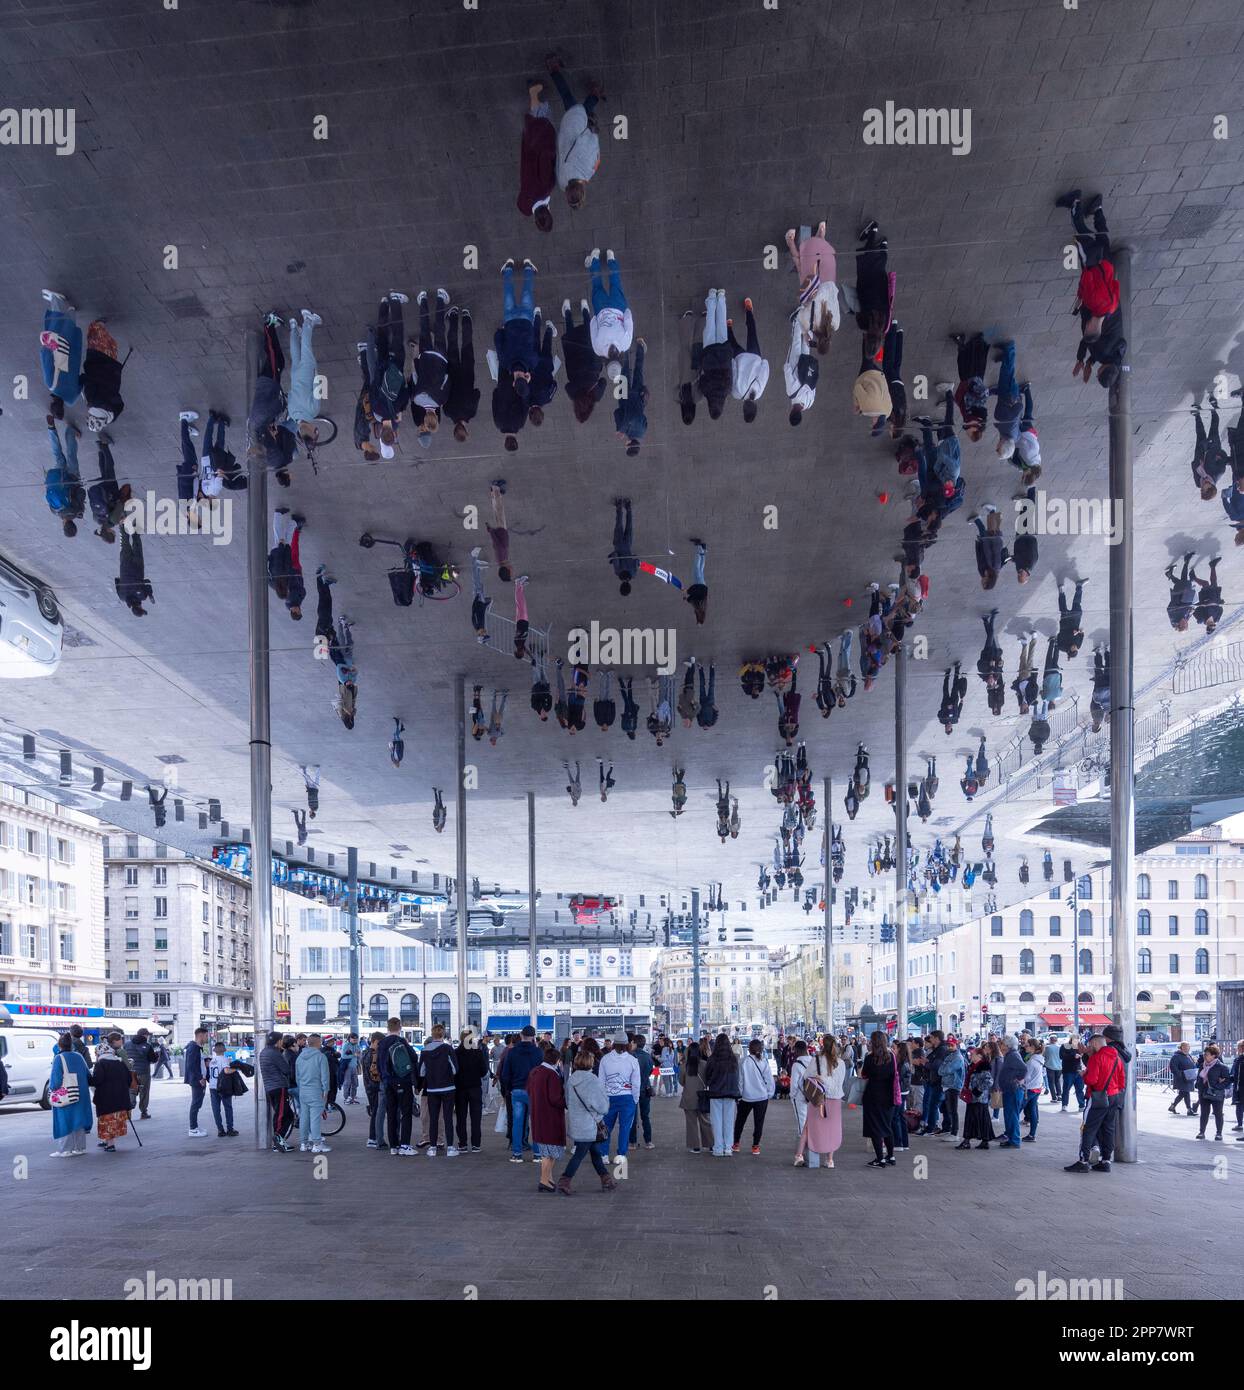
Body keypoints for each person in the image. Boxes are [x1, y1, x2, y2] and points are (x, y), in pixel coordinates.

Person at [546, 53, 603, 209]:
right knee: (580, 107)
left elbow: (591, 143)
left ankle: (553, 67)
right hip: (564, 133)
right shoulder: (562, 183)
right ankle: (595, 93)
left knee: (568, 99)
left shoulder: (588, 171)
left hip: (575, 125)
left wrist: (593, 132)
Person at [1065, 1031, 1126, 1173]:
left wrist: (1084, 1075)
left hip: (1098, 1097)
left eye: (1089, 1044)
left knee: (1088, 1128)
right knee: (1108, 1129)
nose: (1088, 1047)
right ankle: (1106, 1161)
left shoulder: (1097, 1058)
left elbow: (1092, 1080)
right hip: (1114, 1096)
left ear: (1094, 1043)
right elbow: (1122, 1080)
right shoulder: (1117, 1057)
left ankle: (1083, 1161)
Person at [560, 1046, 615, 1193]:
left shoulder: (571, 1080)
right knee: (579, 1155)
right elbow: (602, 1107)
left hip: (577, 1123)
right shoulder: (592, 1080)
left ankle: (606, 1180)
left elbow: (567, 1102)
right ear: (590, 1062)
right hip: (591, 1125)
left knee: (595, 1152)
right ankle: (565, 1180)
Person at [794, 1037, 846, 1169]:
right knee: (832, 1129)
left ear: (822, 1045)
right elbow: (839, 1083)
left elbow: (806, 1077)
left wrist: (820, 1078)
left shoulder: (816, 1059)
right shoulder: (841, 1063)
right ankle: (830, 1160)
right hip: (835, 1100)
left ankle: (799, 1155)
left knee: (809, 1127)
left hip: (818, 1098)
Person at [410, 288, 451, 444]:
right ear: (425, 419)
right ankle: (423, 299)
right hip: (425, 357)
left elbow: (447, 379)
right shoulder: (416, 399)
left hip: (440, 359)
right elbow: (415, 376)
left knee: (440, 329)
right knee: (424, 329)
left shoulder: (441, 400)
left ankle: (441, 297)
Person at [517, 78, 556, 230]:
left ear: (549, 212)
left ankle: (533, 93)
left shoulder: (546, 188)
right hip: (527, 152)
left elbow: (546, 157)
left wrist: (554, 153)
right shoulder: (524, 207)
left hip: (538, 146)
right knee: (532, 123)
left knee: (540, 118)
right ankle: (534, 97)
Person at [500, 1024, 543, 1163]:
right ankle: (537, 1154)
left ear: (521, 1035)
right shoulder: (539, 1052)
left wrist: (509, 1088)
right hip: (534, 1092)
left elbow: (505, 1074)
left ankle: (517, 1154)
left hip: (517, 1090)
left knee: (517, 1123)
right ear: (533, 1037)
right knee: (536, 1123)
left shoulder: (512, 1052)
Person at [586, 248, 632, 376]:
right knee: (597, 285)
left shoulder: (626, 344)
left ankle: (611, 258)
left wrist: (626, 310)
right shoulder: (598, 349)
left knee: (615, 283)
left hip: (618, 307)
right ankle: (595, 260)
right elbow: (593, 325)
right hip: (601, 310)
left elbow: (628, 320)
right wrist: (598, 316)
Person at [598, 1028, 641, 1162]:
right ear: (627, 1044)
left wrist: (602, 1098)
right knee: (625, 1128)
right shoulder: (632, 1060)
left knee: (606, 1127)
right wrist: (635, 1099)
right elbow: (636, 1083)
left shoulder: (605, 1059)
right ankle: (621, 1155)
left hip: (608, 1097)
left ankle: (604, 1155)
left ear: (614, 1043)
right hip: (627, 1098)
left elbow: (601, 1081)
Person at [528, 1046, 567, 1192]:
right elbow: (555, 1098)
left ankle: (548, 1180)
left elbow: (528, 1090)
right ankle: (544, 1180)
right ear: (556, 1060)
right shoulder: (552, 1075)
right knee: (551, 1152)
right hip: (550, 1117)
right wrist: (566, 1103)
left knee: (545, 1150)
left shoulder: (534, 1071)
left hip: (537, 1114)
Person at [378, 1016, 418, 1157]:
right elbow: (414, 1058)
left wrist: (384, 1078)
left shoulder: (382, 1043)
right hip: (403, 1080)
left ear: (388, 1028)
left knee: (391, 1113)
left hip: (387, 1082)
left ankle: (393, 1146)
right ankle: (405, 1145)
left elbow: (379, 1064)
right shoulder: (401, 1041)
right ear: (400, 1027)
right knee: (406, 1113)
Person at [418, 1022, 459, 1156]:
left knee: (433, 1118)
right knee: (447, 1118)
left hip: (432, 1089)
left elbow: (421, 1072)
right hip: (448, 1087)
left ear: (432, 1034)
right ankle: (450, 1148)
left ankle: (432, 1148)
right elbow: (455, 1069)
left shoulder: (425, 1050)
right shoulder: (448, 1048)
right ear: (443, 1034)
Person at [49, 1032, 93, 1157]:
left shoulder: (59, 1058)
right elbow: (88, 1075)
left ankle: (65, 1150)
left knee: (65, 1120)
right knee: (79, 1120)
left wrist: (52, 1089)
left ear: (59, 1045)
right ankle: (79, 1148)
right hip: (81, 1093)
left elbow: (56, 1082)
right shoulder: (79, 1056)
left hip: (66, 1094)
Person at [89, 1032, 133, 1153]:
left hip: (106, 1099)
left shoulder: (101, 1064)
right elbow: (129, 1079)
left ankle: (110, 1144)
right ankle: (106, 1141)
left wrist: (88, 1078)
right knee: (115, 1120)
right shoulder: (119, 1062)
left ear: (99, 1053)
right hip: (121, 1098)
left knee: (107, 1121)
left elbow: (97, 1081)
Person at [860, 1030, 897, 1167]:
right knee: (887, 1126)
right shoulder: (891, 1056)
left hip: (872, 1095)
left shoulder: (870, 1057)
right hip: (889, 1096)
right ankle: (891, 1156)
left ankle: (880, 1159)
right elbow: (894, 1074)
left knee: (875, 1128)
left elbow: (864, 1074)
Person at [732, 1039, 773, 1155]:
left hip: (746, 1097)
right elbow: (769, 1080)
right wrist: (769, 1093)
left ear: (749, 1049)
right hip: (762, 1097)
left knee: (740, 1121)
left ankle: (736, 1143)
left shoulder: (743, 1061)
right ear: (761, 1049)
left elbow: (740, 1081)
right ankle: (755, 1146)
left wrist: (739, 1095)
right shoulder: (764, 1062)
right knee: (759, 1123)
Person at [703, 1032, 741, 1157]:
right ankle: (728, 1148)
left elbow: (707, 1076)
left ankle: (718, 1148)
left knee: (716, 1122)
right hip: (731, 1093)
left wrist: (711, 1082)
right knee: (729, 1122)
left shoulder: (712, 1059)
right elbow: (737, 1076)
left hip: (715, 1093)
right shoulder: (733, 1059)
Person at [295, 1033, 331, 1154]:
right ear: (318, 1043)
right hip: (316, 1091)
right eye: (320, 1042)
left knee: (304, 1117)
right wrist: (326, 1091)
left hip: (303, 1091)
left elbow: (297, 1077)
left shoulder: (300, 1057)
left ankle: (304, 1143)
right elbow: (325, 1077)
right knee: (315, 1118)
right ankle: (317, 1144)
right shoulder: (321, 1057)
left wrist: (301, 1087)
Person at [259, 1031, 295, 1153]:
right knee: (282, 1115)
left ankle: (279, 1142)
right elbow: (286, 1070)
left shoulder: (264, 1052)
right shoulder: (274, 1053)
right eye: (281, 1040)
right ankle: (278, 1140)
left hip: (271, 1088)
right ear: (278, 1041)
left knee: (288, 1115)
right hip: (279, 1087)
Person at [453, 1030, 488, 1153]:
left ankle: (462, 1144)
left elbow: (453, 1071)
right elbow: (484, 1070)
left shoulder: (456, 1052)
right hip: (475, 1087)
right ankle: (476, 1145)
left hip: (460, 1089)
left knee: (461, 1117)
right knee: (476, 1117)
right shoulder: (477, 1052)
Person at [957, 1048, 998, 1150]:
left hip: (979, 1098)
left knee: (976, 1119)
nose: (970, 1056)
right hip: (974, 1098)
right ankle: (982, 1141)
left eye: (972, 1054)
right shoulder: (973, 1066)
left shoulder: (983, 1067)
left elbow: (989, 1081)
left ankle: (968, 1141)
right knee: (978, 1119)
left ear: (979, 1056)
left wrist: (977, 1090)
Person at [613, 339, 648, 454]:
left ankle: (640, 346)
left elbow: (644, 418)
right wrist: (620, 429)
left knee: (639, 370)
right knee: (624, 370)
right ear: (629, 445)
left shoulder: (643, 431)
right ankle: (624, 346)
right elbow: (616, 412)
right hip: (624, 395)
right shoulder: (623, 429)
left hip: (638, 396)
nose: (625, 445)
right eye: (626, 447)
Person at [678, 1041, 713, 1153]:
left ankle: (695, 1147)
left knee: (691, 1123)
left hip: (688, 1098)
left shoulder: (684, 1066)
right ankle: (711, 1145)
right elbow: (708, 1080)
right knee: (705, 1122)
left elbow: (681, 1082)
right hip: (702, 1097)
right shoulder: (705, 1064)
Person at [1194, 1043, 1231, 1141]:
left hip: (1216, 1094)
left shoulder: (1222, 1067)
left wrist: (1218, 1087)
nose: (1204, 1056)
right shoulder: (1202, 1065)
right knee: (1204, 1113)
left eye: (1206, 1054)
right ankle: (1202, 1132)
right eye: (1204, 1054)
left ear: (1213, 1055)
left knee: (1218, 1113)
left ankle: (1219, 1133)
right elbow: (1199, 1077)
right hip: (1203, 1092)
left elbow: (1227, 1080)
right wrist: (1198, 1085)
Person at [995, 1033, 1027, 1147]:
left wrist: (1016, 1080)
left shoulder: (1013, 1055)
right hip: (1009, 1089)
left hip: (1013, 1090)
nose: (1001, 1045)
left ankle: (1014, 1140)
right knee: (1009, 1115)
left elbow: (1023, 1069)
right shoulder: (1010, 1055)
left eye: (1002, 1043)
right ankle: (1010, 1137)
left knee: (1012, 1115)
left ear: (1007, 1045)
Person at [206, 1041, 240, 1138]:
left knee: (216, 1109)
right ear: (224, 1050)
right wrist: (237, 1069)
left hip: (212, 1087)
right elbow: (226, 1071)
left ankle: (220, 1130)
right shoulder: (225, 1059)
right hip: (223, 1087)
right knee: (228, 1107)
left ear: (215, 1051)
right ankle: (230, 1129)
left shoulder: (212, 1061)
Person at [123, 1028, 157, 1120]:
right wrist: (157, 1055)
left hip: (130, 1072)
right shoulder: (148, 1046)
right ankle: (143, 1112)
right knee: (144, 1092)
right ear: (145, 1035)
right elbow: (153, 1059)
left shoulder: (126, 1044)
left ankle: (128, 1111)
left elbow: (123, 1057)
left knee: (131, 1091)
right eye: (147, 1035)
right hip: (144, 1072)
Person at [629, 1035, 655, 1150]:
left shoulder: (630, 1056)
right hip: (645, 1089)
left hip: (632, 1090)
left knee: (632, 1117)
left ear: (635, 1043)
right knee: (645, 1116)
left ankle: (632, 1142)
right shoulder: (647, 1056)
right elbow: (650, 1071)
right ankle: (648, 1141)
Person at [938, 1036, 966, 1139]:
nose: (949, 1047)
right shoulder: (950, 1055)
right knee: (949, 1110)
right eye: (948, 1045)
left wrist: (943, 1069)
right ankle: (951, 1131)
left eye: (951, 1045)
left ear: (956, 1045)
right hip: (948, 1086)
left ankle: (955, 1133)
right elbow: (941, 1070)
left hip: (953, 1086)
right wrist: (943, 1069)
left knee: (953, 1111)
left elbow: (946, 1070)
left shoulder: (957, 1057)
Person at [183, 1025, 209, 1137]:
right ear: (200, 1035)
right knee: (196, 1104)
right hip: (197, 1080)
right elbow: (191, 1065)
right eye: (206, 1036)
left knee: (197, 1103)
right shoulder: (193, 1048)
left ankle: (194, 1127)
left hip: (199, 1079)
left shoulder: (197, 1047)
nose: (207, 1038)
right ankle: (193, 1129)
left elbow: (198, 1062)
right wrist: (200, 1078)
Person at [1021, 1038, 1046, 1143]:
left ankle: (1011, 1134)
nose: (1024, 1047)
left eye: (1026, 1045)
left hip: (1030, 1089)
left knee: (1017, 1110)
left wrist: (1018, 1081)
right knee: (1033, 1111)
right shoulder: (1039, 1058)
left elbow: (1026, 1077)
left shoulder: (1032, 1061)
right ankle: (1032, 1135)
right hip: (1037, 1087)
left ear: (1032, 1047)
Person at [1168, 1040, 1198, 1115]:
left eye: (1188, 1046)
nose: (1188, 1048)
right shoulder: (1176, 1056)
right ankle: (1189, 1110)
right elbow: (1173, 1067)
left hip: (1188, 1077)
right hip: (1181, 1078)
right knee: (1186, 1093)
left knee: (1182, 1094)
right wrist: (1180, 1075)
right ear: (1181, 1047)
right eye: (1186, 1046)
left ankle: (1173, 1106)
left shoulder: (1188, 1055)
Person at [685, 538, 708, 624]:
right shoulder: (699, 608)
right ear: (699, 617)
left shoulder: (703, 608)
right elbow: (695, 596)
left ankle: (703, 548)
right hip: (698, 584)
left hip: (702, 585)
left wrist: (687, 598)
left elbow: (693, 598)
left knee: (701, 569)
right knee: (696, 567)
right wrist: (688, 591)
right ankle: (698, 545)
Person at [338, 1033, 360, 1105]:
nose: (355, 1040)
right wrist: (354, 1055)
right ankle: (346, 1098)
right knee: (347, 1083)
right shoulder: (346, 1045)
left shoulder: (357, 1045)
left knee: (355, 1083)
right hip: (347, 1067)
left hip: (354, 1066)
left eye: (356, 1039)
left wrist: (358, 1055)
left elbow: (359, 1054)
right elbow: (343, 1056)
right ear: (349, 1039)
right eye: (353, 1039)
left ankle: (352, 1098)